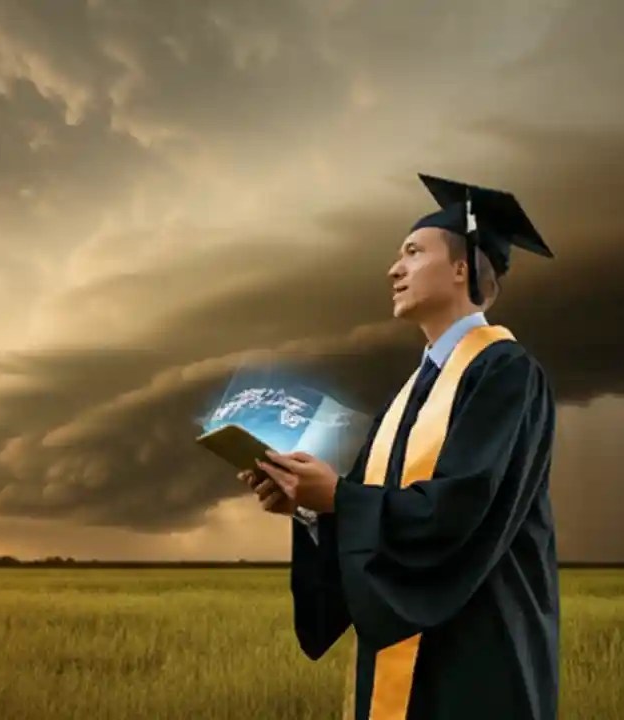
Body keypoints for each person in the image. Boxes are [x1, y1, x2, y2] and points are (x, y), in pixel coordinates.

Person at [237, 174, 560, 719]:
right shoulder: (409, 394)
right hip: (405, 660)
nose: (393, 269)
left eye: (412, 252)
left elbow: (461, 506)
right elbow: (369, 504)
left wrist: (339, 498)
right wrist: (312, 507)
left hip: (478, 653)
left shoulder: (506, 374)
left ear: (461, 268)